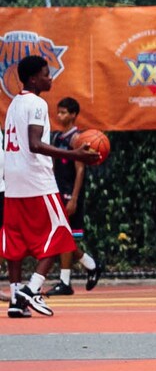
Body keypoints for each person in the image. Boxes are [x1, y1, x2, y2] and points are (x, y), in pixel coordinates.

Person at [5, 57, 98, 318]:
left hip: (14, 181)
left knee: (16, 242)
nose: (50, 78)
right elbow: (35, 144)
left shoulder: (14, 103)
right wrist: (77, 154)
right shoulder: (36, 103)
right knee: (60, 234)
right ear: (34, 79)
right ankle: (31, 289)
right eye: (47, 74)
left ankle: (15, 298)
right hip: (36, 181)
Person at [46, 95, 101, 294]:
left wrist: (75, 198)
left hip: (70, 192)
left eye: (63, 112)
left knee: (65, 236)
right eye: (58, 112)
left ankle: (66, 281)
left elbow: (80, 170)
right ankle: (91, 265)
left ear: (73, 115)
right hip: (58, 190)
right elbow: (53, 166)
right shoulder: (56, 137)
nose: (59, 116)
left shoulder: (78, 138)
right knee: (60, 236)